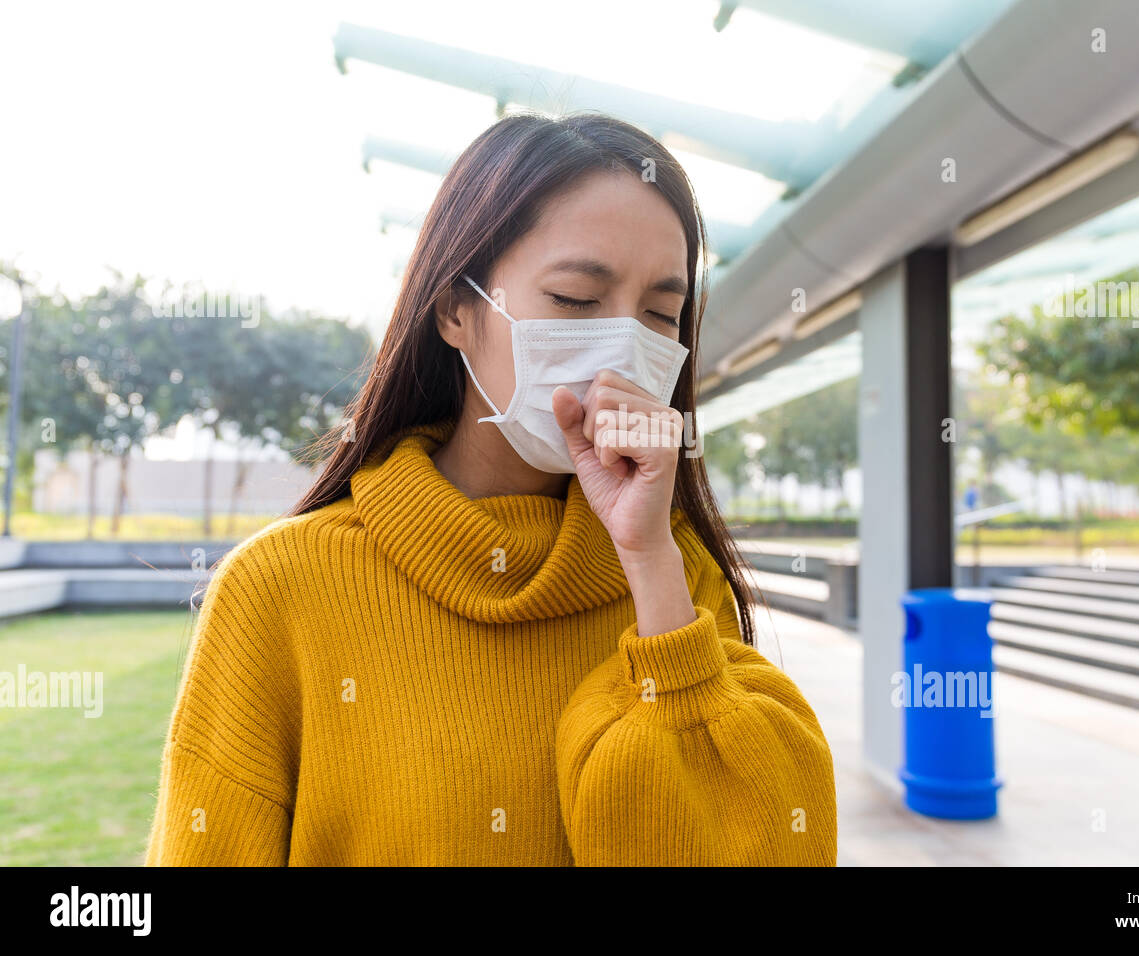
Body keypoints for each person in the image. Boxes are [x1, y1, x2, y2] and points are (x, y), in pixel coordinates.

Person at [144, 110, 837, 866]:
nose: (622, 347)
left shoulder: (681, 579)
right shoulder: (279, 589)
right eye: (576, 299)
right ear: (456, 310)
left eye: (661, 314)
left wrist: (649, 565)